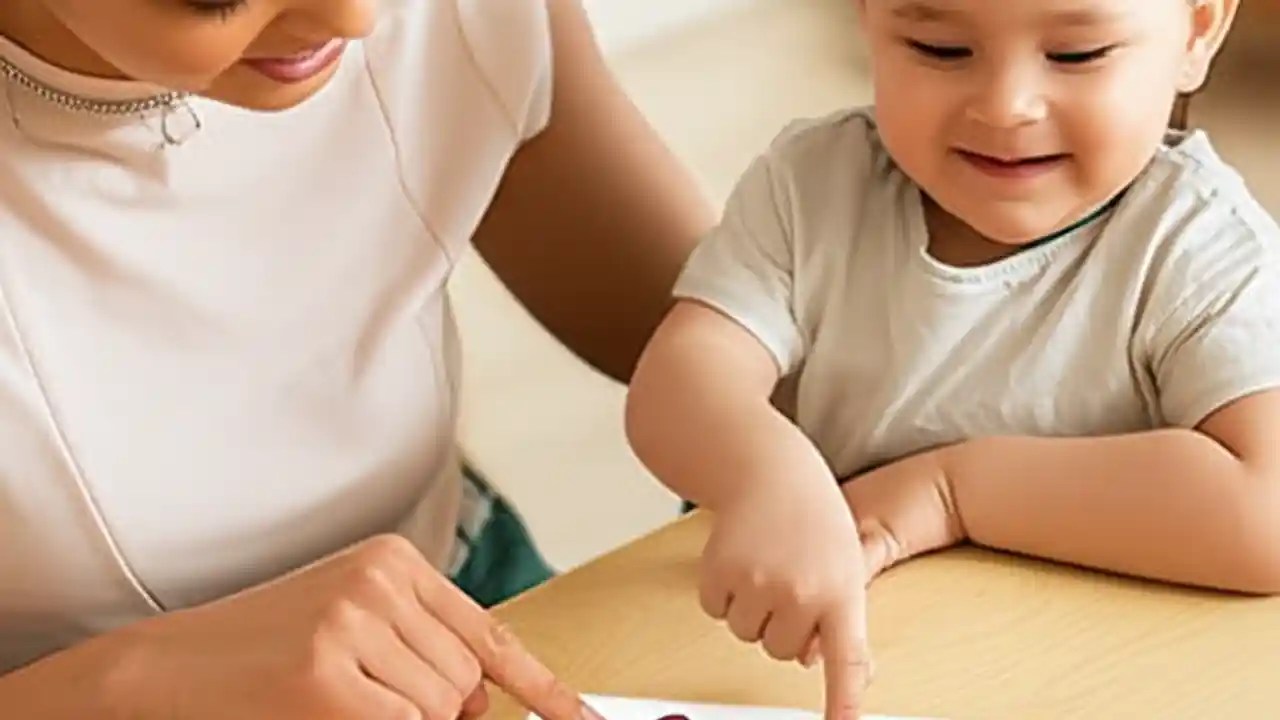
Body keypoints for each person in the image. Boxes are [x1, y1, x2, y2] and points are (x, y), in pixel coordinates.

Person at [0, 0, 715, 717]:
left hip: (473, 613)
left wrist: (789, 437)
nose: (356, 17)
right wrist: (126, 684)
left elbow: (740, 350)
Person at [626, 0, 1280, 717]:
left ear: (1198, 29)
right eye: (939, 48)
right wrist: (764, 475)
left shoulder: (1197, 243)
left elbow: (1267, 510)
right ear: (867, 17)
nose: (1006, 107)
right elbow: (681, 379)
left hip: (1081, 680)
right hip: (821, 671)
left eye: (1075, 55)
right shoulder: (812, 185)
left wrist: (953, 493)